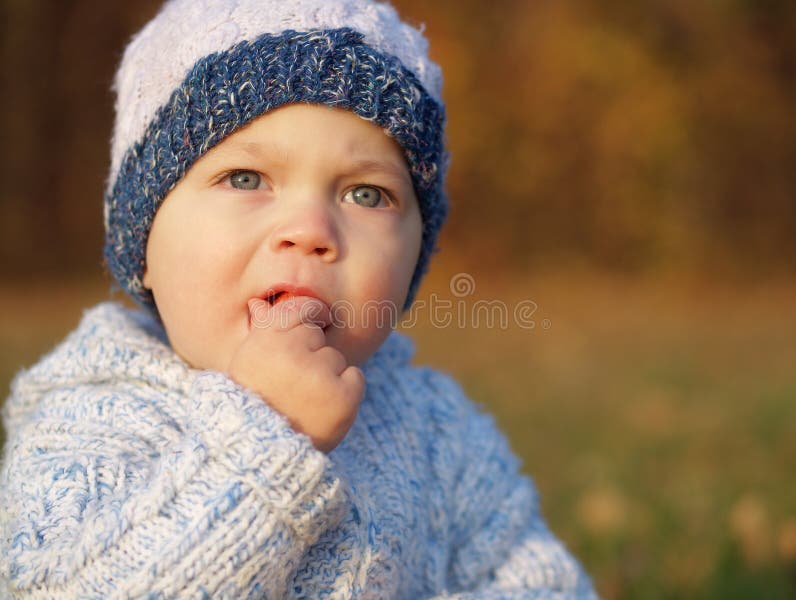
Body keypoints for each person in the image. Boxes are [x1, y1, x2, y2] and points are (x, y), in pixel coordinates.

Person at [0, 0, 597, 597]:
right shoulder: (89, 417)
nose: (310, 229)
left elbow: (543, 585)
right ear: (145, 246)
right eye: (245, 179)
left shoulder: (439, 432)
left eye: (366, 194)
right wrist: (265, 440)